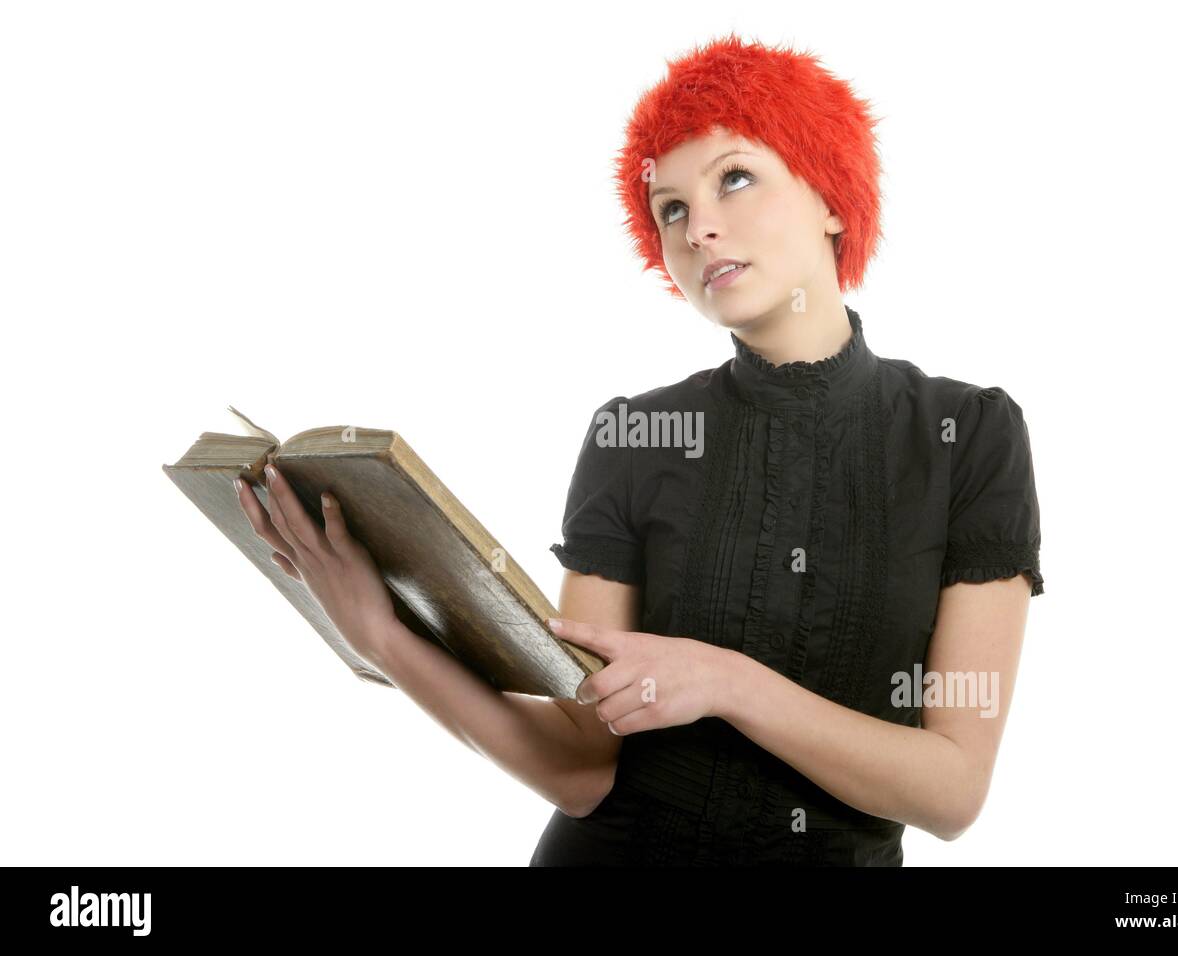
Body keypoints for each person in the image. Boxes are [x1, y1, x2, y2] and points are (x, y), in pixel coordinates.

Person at [233, 33, 1044, 868]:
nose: (700, 229)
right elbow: (581, 767)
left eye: (735, 177)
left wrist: (726, 683)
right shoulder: (630, 435)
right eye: (672, 209)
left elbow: (953, 791)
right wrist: (383, 639)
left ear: (831, 194)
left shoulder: (970, 435)